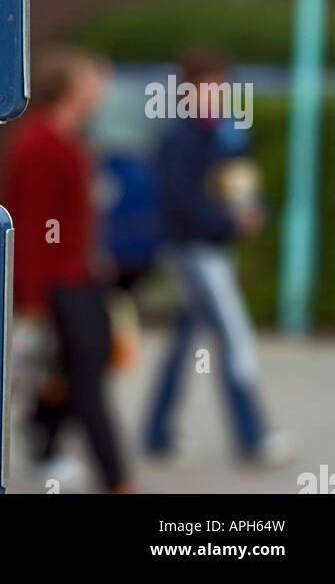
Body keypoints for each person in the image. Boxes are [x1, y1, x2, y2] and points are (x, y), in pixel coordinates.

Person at [143, 48, 291, 465]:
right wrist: (230, 226)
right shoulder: (178, 139)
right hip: (193, 254)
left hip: (211, 252)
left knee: (183, 343)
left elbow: (238, 186)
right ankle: (253, 437)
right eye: (209, 86)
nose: (218, 93)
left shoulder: (223, 134)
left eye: (221, 85)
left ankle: (156, 433)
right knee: (233, 337)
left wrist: (256, 207)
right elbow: (181, 201)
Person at [3, 47, 131, 492]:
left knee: (78, 371)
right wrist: (34, 301)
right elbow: (34, 225)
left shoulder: (72, 137)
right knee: (85, 378)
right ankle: (116, 478)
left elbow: (72, 215)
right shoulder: (40, 143)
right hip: (57, 284)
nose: (101, 90)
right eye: (93, 81)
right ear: (72, 89)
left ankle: (44, 440)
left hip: (81, 275)